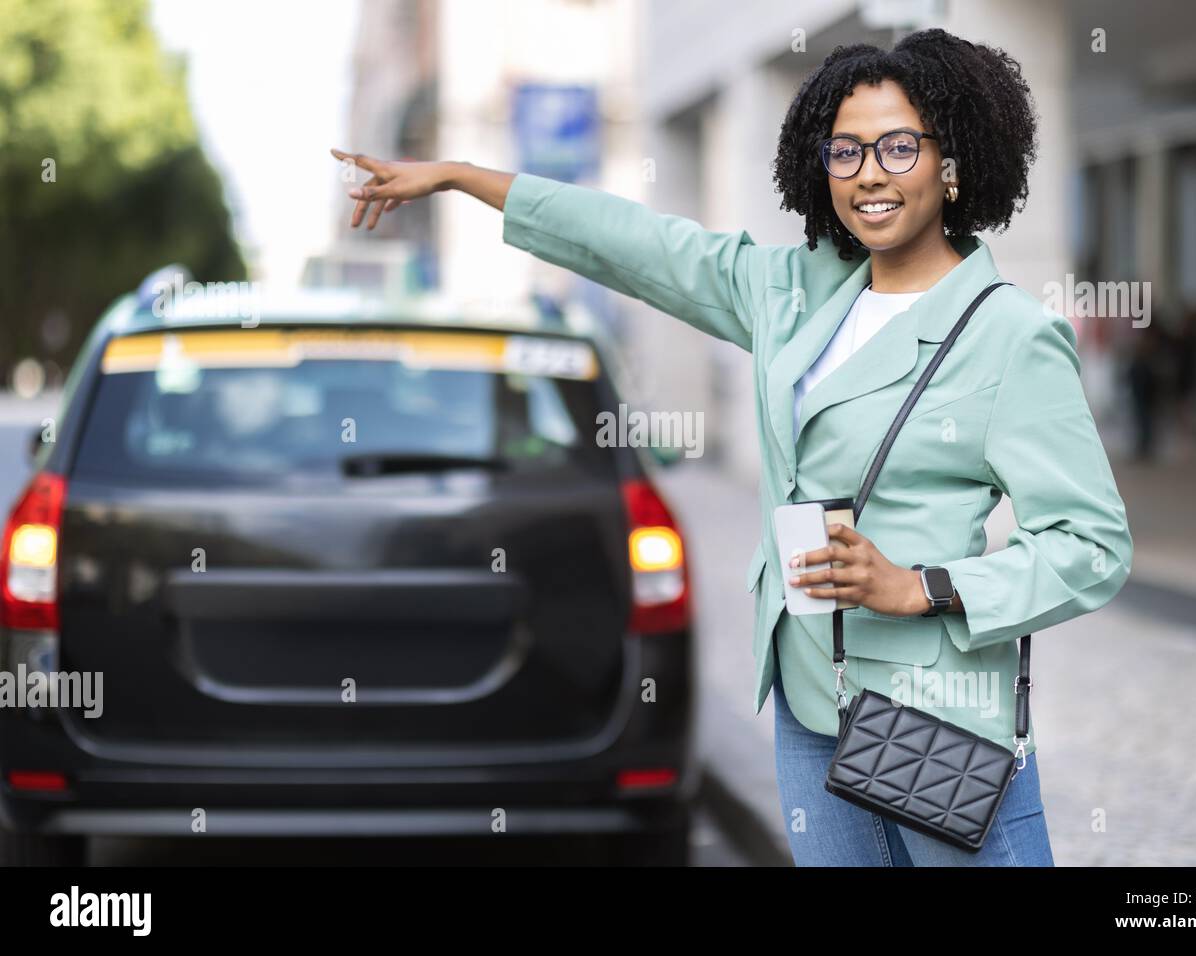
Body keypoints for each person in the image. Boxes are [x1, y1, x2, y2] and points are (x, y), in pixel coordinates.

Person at [331, 27, 1133, 867]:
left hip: (935, 716)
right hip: (810, 701)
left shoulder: (1010, 334)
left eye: (900, 146)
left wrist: (920, 586)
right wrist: (463, 177)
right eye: (846, 150)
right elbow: (640, 246)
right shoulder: (794, 290)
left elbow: (1093, 545)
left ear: (953, 162)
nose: (869, 173)